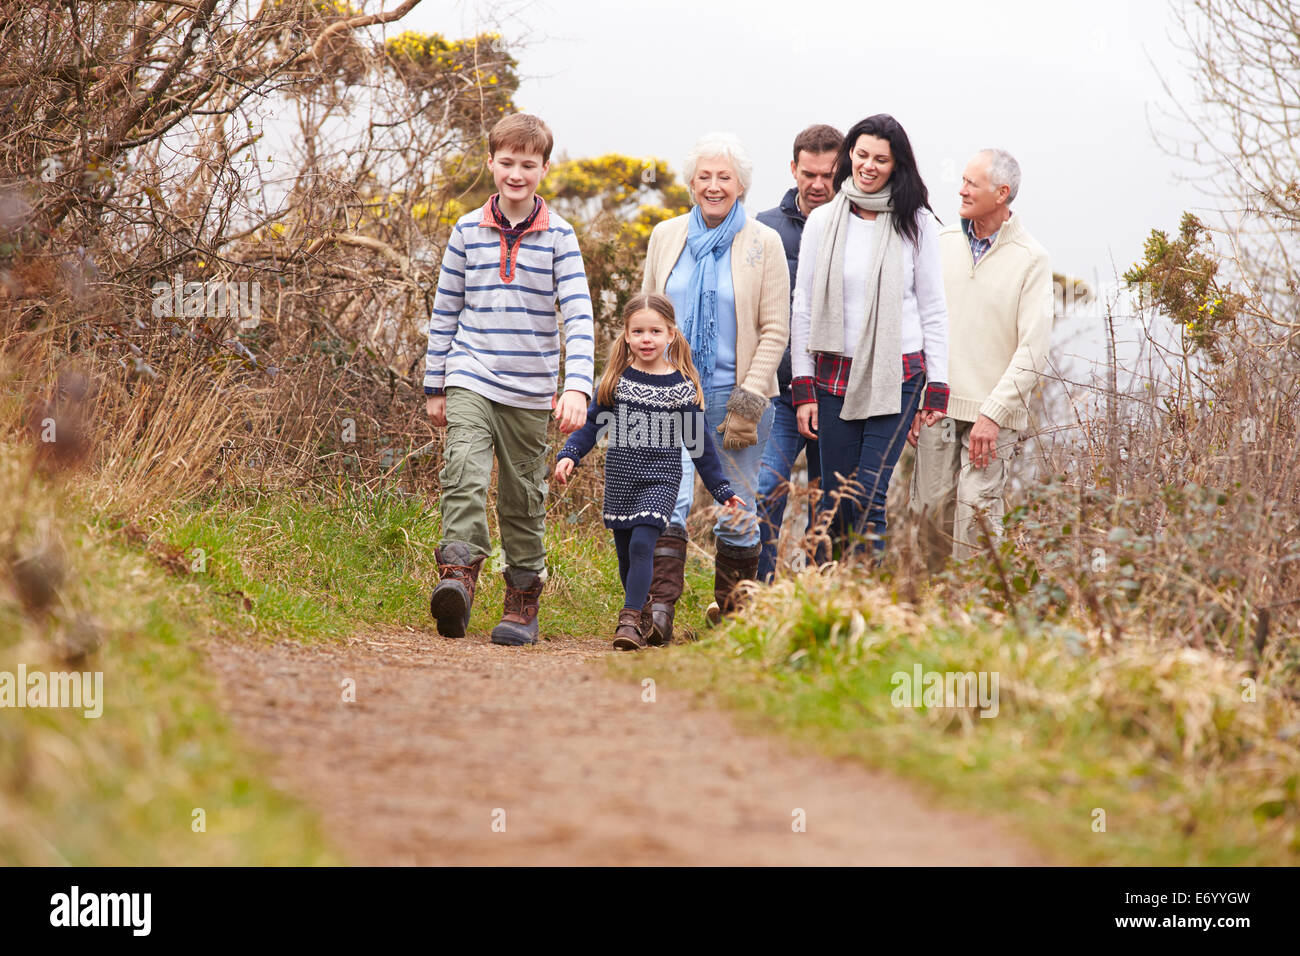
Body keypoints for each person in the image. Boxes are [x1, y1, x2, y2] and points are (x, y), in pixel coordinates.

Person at [424, 112, 594, 646]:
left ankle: (522, 600)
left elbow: (579, 315)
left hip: (530, 388)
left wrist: (577, 386)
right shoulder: (466, 230)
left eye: (527, 164)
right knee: (464, 471)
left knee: (522, 498)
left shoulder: (561, 236)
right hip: (470, 373)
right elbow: (446, 310)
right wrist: (435, 384)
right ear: (490, 163)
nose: (516, 173)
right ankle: (457, 575)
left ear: (544, 168)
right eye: (506, 162)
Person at [641, 132, 789, 640]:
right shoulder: (666, 236)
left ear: (741, 185)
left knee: (736, 509)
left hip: (736, 397)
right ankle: (658, 615)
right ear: (690, 183)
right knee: (667, 500)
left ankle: (732, 618)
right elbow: (646, 317)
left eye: (724, 177)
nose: (713, 185)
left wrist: (749, 399)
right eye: (704, 176)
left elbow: (775, 329)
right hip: (671, 394)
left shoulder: (764, 243)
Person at [790, 114, 950, 557]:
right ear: (850, 155)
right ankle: (842, 587)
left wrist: (937, 386)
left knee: (867, 494)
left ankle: (867, 586)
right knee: (837, 498)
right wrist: (803, 385)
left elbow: (933, 308)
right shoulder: (824, 220)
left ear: (896, 165)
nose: (869, 165)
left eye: (881, 159)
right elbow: (803, 305)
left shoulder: (916, 223)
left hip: (897, 375)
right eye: (862, 155)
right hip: (832, 375)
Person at [554, 293, 744, 650]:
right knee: (627, 556)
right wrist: (571, 454)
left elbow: (699, 446)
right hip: (622, 479)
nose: (646, 339)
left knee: (643, 544)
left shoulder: (682, 387)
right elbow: (592, 425)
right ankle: (642, 613)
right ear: (626, 335)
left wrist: (721, 488)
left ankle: (628, 620)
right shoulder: (616, 381)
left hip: (661, 479)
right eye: (638, 331)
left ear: (671, 334)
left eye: (655, 331)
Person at [908, 148, 1052, 565]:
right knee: (928, 514)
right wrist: (916, 398)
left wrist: (992, 414)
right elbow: (918, 326)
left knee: (977, 517)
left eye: (972, 184)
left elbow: (1033, 349)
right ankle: (934, 600)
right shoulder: (941, 243)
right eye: (963, 181)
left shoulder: (1032, 259)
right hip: (937, 406)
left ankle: (978, 602)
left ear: (1001, 193)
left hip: (993, 417)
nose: (962, 190)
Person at [755, 123, 842, 581]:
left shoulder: (858, 227)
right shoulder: (762, 227)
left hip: (837, 394)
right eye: (809, 173)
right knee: (764, 489)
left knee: (830, 505)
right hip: (780, 393)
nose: (818, 184)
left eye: (829, 174)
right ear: (793, 169)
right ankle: (754, 596)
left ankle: (817, 599)